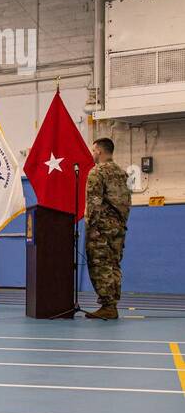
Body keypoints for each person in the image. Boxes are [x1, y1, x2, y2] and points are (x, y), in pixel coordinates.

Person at [84, 137, 131, 320]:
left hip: (101, 228)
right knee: (114, 264)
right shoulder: (122, 173)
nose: (92, 154)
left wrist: (91, 226)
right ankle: (112, 304)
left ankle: (107, 306)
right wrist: (120, 223)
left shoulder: (97, 172)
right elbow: (126, 202)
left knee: (99, 265)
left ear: (99, 151)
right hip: (118, 227)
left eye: (93, 150)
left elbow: (94, 202)